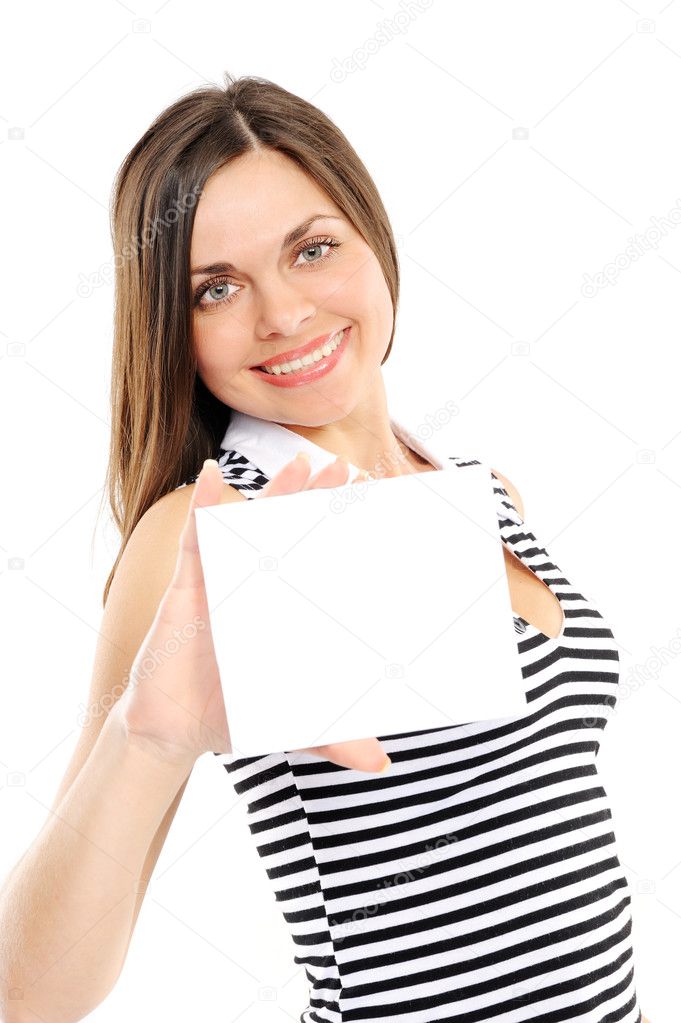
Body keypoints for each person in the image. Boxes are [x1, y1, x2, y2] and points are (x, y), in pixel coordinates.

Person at [0, 73, 649, 1023]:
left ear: (373, 240)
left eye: (311, 249)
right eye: (216, 288)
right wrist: (153, 736)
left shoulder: (482, 491)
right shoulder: (205, 533)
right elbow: (28, 995)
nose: (284, 315)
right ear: (171, 328)